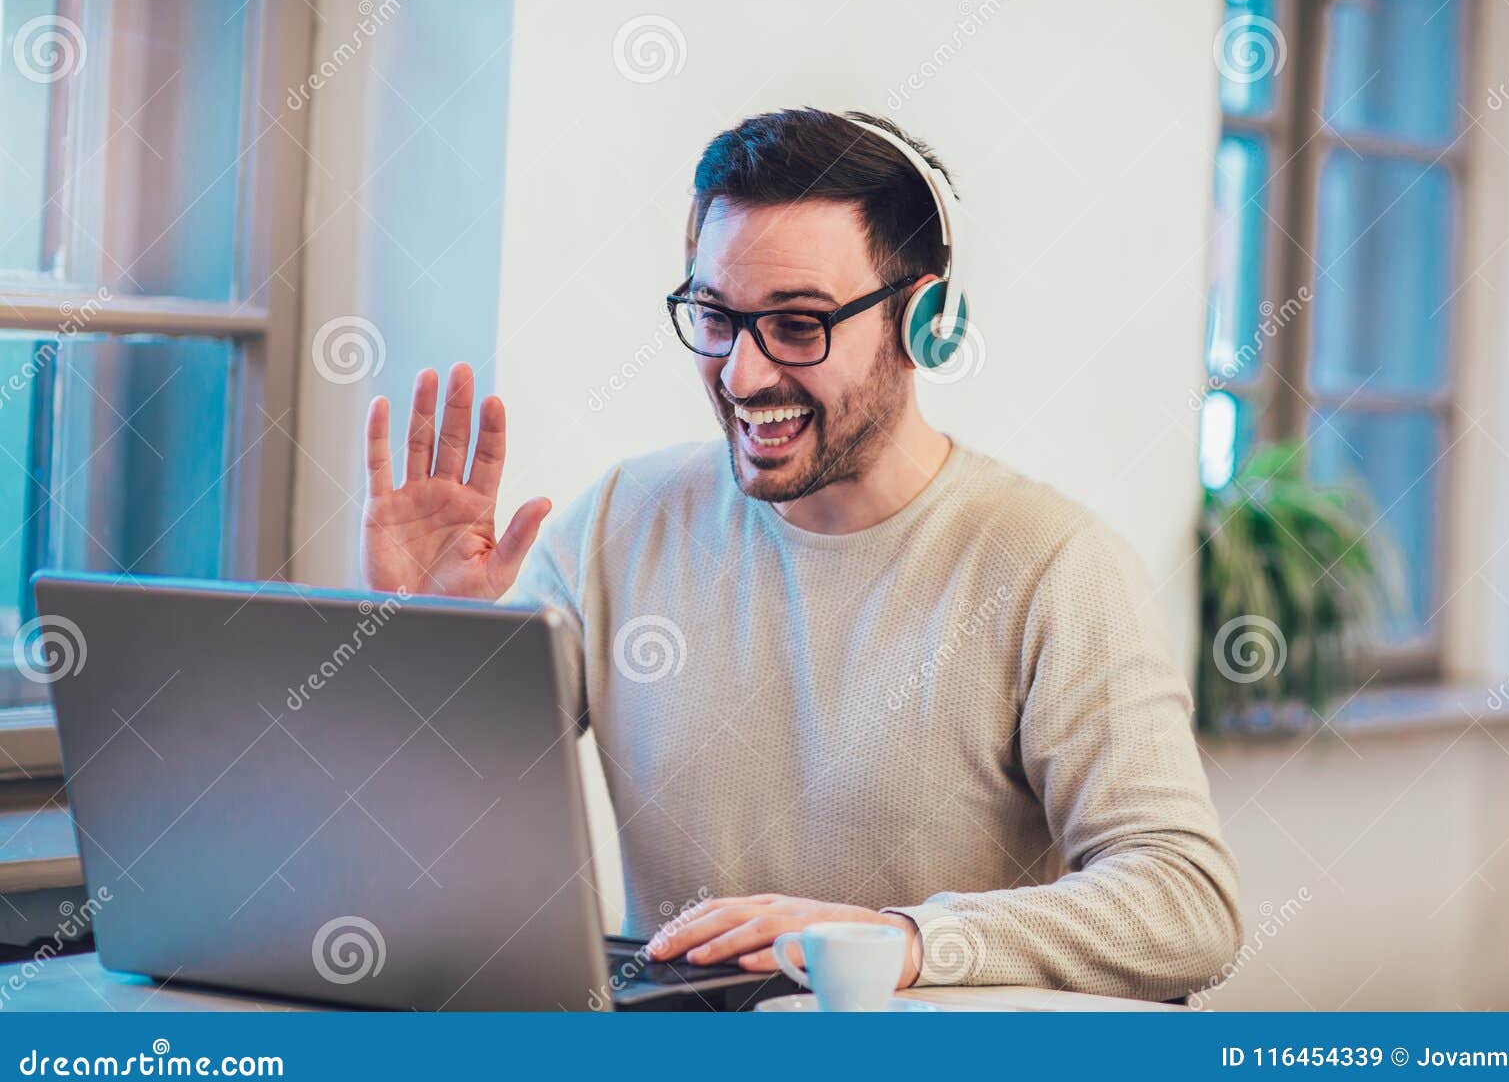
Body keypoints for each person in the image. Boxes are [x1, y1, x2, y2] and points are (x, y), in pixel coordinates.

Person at [360, 108, 1241, 1000]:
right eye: (714, 315)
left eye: (796, 324)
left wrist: (904, 941)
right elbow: (430, 840)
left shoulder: (1054, 566)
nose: (742, 375)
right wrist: (427, 646)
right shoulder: (622, 522)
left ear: (926, 320)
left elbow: (1187, 902)